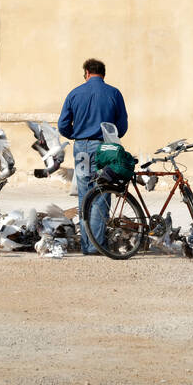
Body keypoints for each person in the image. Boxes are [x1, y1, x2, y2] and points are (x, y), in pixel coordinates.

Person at [57, 58, 128, 256]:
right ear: (103, 73)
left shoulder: (74, 93)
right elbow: (122, 126)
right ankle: (98, 244)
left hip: (80, 148)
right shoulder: (114, 93)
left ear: (87, 72)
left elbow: (63, 124)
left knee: (84, 193)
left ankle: (87, 245)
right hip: (105, 148)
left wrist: (77, 135)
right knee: (102, 192)